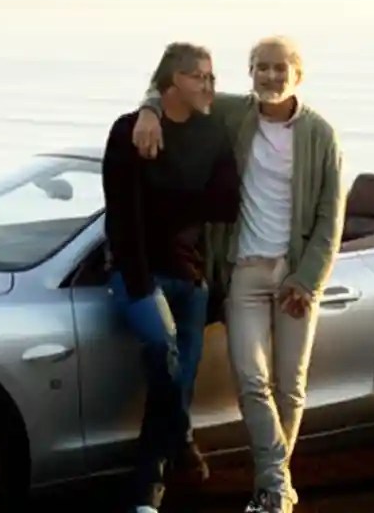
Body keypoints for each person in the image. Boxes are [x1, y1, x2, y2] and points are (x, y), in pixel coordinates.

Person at [130, 35, 345, 513]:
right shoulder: (233, 114)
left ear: (298, 75)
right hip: (244, 274)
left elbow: (332, 219)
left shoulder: (321, 135)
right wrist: (147, 110)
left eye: (279, 68)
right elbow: (172, 93)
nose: (270, 76)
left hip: (295, 278)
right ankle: (277, 489)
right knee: (251, 380)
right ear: (250, 73)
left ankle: (271, 489)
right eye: (261, 68)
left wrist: (307, 280)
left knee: (290, 388)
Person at [101, 41, 242, 513]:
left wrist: (176, 203)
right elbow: (122, 219)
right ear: (171, 83)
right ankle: (150, 482)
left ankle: (176, 442)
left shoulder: (213, 131)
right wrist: (140, 281)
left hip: (192, 278)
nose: (210, 85)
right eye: (199, 77)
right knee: (164, 352)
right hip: (139, 273)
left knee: (181, 378)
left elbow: (226, 201)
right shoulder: (128, 133)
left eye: (212, 77)